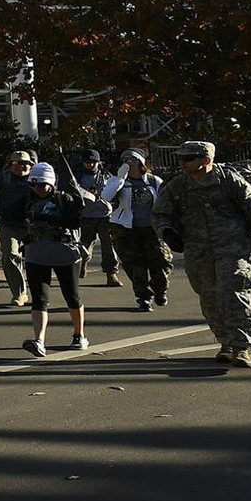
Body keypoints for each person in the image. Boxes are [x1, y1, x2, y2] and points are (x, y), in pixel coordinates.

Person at [155, 141, 251, 368]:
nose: (182, 163)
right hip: (198, 250)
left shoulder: (229, 180)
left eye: (188, 158)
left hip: (233, 247)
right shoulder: (177, 186)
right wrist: (167, 232)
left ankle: (242, 347)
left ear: (205, 160)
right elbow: (161, 213)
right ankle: (225, 343)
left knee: (233, 292)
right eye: (180, 158)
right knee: (209, 297)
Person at [20, 162, 86, 357]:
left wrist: (46, 218)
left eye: (41, 185)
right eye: (34, 185)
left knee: (72, 296)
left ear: (50, 183)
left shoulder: (63, 199)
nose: (37, 189)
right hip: (36, 253)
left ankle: (79, 334)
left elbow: (74, 220)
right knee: (39, 299)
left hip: (64, 253)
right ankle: (39, 340)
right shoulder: (27, 200)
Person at [103, 150, 168, 314]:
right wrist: (120, 178)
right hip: (126, 230)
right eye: (125, 160)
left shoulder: (153, 181)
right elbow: (106, 196)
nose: (129, 162)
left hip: (151, 229)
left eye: (133, 159)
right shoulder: (118, 181)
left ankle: (159, 289)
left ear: (141, 163)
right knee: (135, 266)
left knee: (162, 262)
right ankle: (144, 298)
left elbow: (166, 202)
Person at [0, 150, 39, 307]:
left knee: (38, 260)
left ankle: (39, 294)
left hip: (34, 226)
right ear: (10, 165)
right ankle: (19, 293)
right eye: (17, 163)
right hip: (9, 225)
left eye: (25, 164)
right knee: (10, 255)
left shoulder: (37, 178)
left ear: (31, 165)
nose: (21, 166)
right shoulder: (1, 179)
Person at [75, 151, 121, 287]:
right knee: (83, 245)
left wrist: (115, 205)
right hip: (86, 216)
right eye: (88, 162)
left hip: (105, 215)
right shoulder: (78, 176)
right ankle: (83, 262)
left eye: (94, 162)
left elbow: (116, 191)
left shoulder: (107, 176)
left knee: (109, 245)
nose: (91, 164)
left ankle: (111, 273)